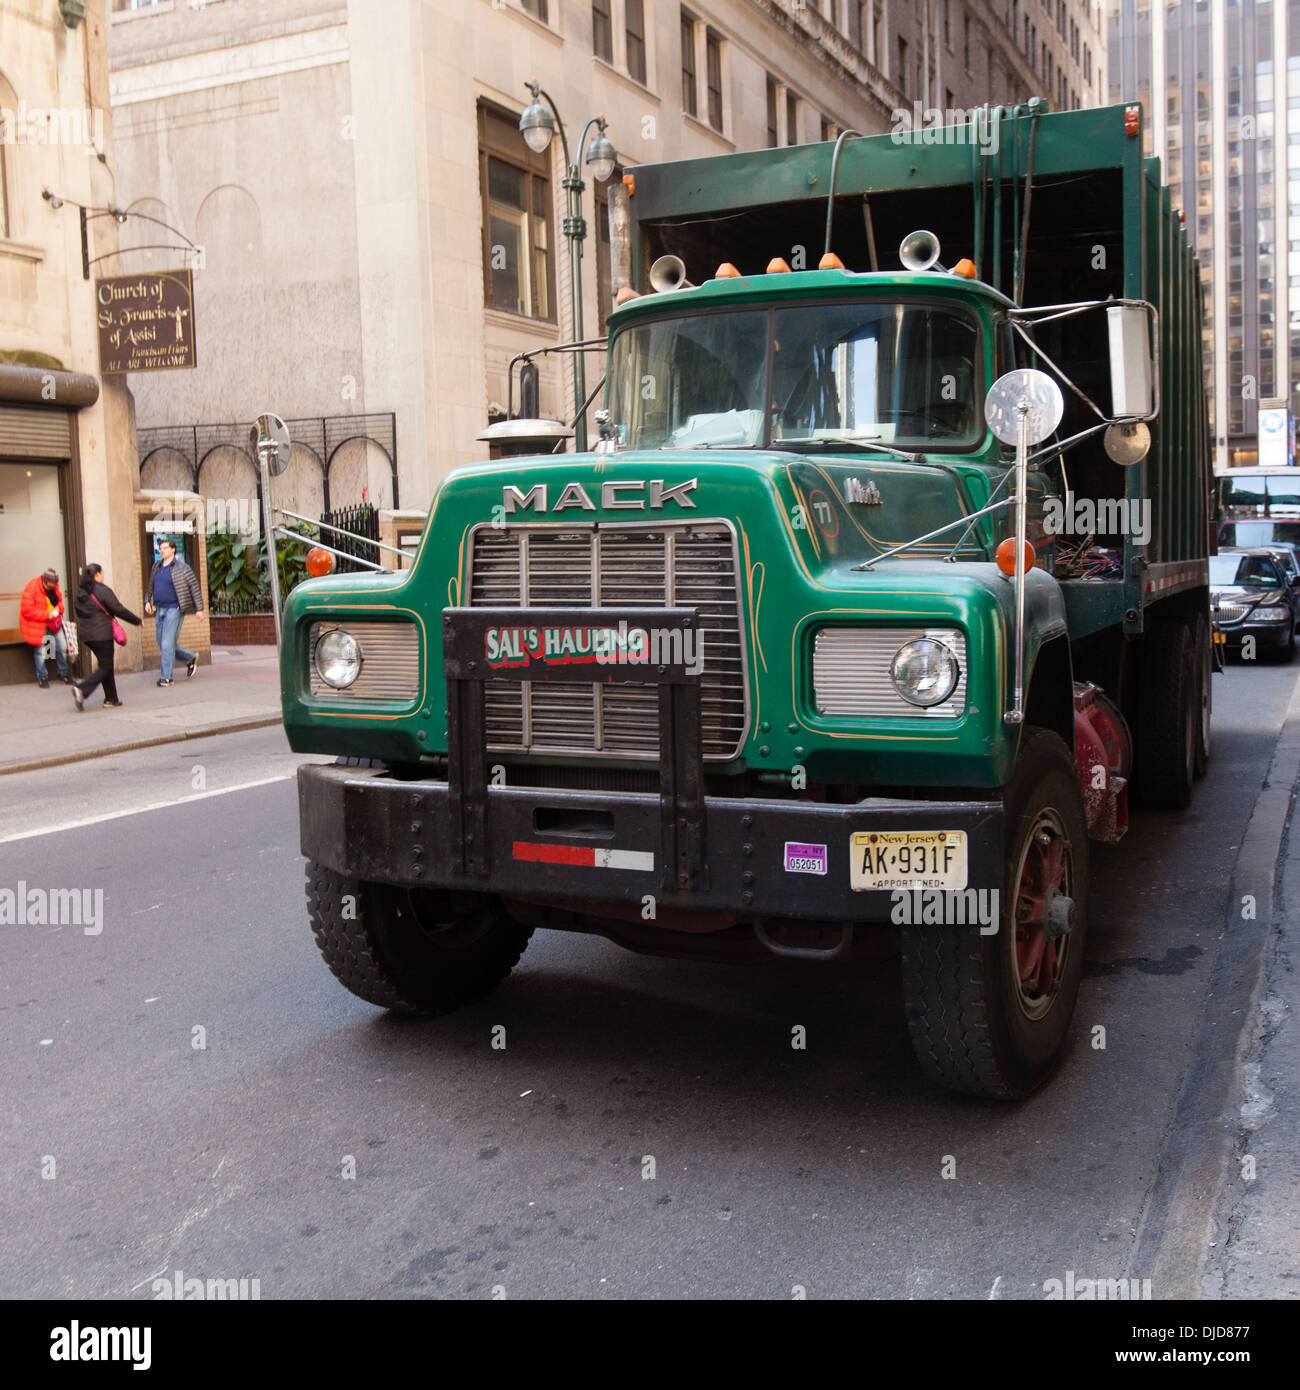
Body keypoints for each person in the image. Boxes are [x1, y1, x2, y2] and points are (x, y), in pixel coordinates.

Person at [71, 564, 141, 711]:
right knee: (106, 666)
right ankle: (82, 690)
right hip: (101, 634)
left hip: (86, 635)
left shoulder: (80, 592)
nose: (103, 576)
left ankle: (111, 699)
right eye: (102, 573)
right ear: (97, 574)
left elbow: (79, 612)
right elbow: (118, 609)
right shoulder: (102, 590)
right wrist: (136, 620)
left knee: (105, 664)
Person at [144, 537, 203, 686]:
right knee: (162, 642)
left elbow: (194, 587)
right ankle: (189, 658)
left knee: (166, 643)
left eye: (165, 548)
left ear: (173, 550)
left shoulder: (182, 567)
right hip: (160, 608)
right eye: (161, 548)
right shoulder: (156, 566)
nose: (162, 550)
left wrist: (199, 609)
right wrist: (147, 601)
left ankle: (167, 678)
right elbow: (150, 586)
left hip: (174, 609)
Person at [20, 567, 69, 687]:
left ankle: (63, 673)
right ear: (44, 582)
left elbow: (60, 602)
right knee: (40, 651)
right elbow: (27, 610)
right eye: (50, 586)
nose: (53, 588)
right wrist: (48, 615)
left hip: (54, 623)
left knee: (62, 647)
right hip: (39, 624)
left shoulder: (55, 586)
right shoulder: (32, 587)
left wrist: (59, 609)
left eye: (55, 585)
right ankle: (42, 677)